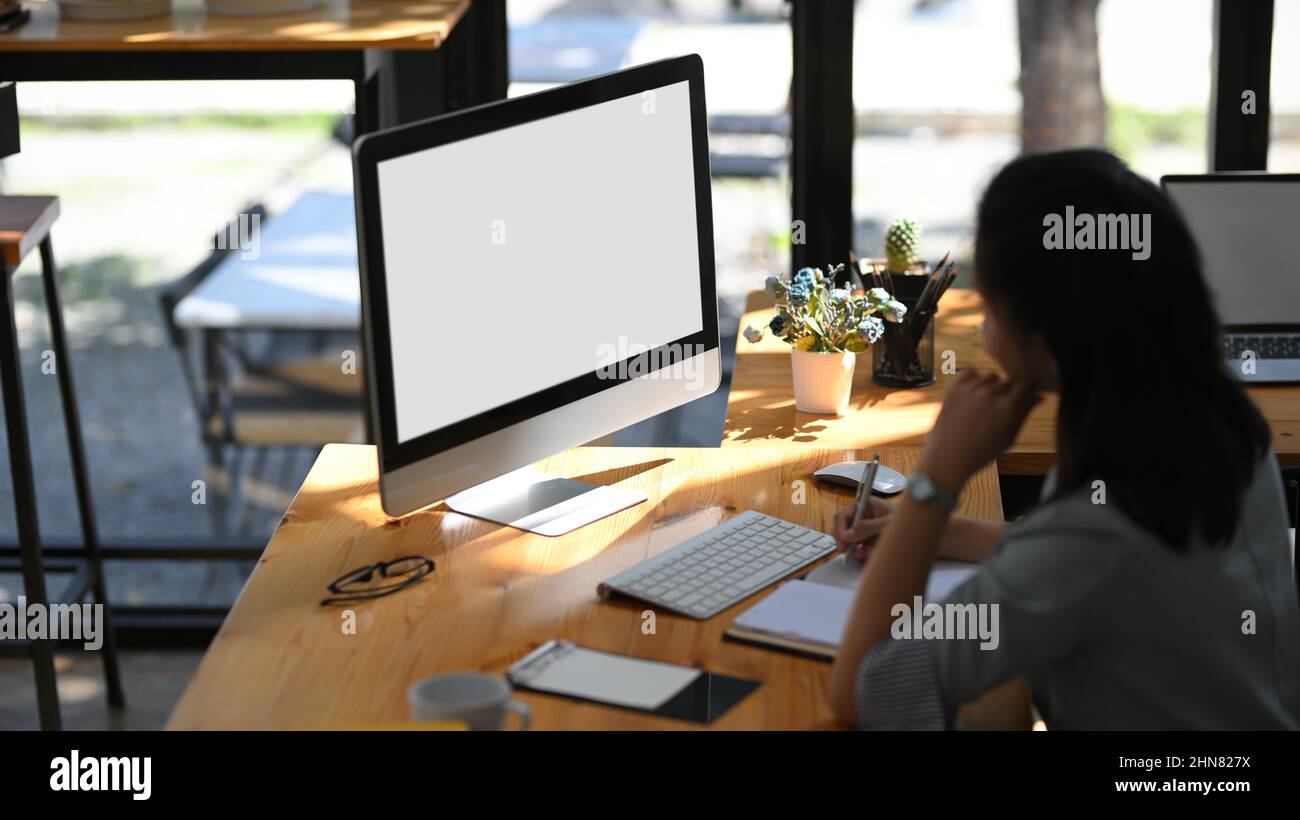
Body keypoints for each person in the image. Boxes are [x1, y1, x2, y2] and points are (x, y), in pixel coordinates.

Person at [827, 149, 1300, 730]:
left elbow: (865, 691)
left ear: (1046, 343)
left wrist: (935, 480)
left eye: (991, 306)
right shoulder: (1217, 420)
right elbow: (1074, 565)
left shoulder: (1094, 536)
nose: (979, 325)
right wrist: (924, 532)